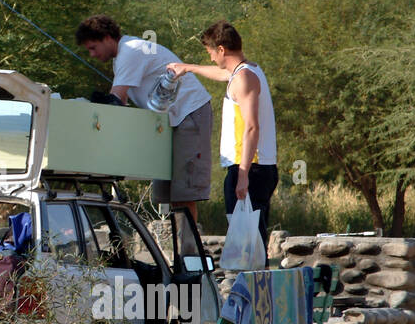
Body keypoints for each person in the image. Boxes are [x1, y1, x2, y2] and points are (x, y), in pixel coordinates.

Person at [75, 15, 214, 232]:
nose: (92, 55)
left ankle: (189, 256)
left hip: (188, 113)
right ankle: (181, 253)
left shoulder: (130, 51)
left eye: (93, 47)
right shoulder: (123, 55)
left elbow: (115, 100)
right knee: (167, 194)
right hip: (169, 121)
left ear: (107, 37)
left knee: (184, 193)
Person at [166, 20, 278, 253]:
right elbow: (221, 73)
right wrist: (187, 68)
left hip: (249, 167)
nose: (210, 59)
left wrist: (243, 175)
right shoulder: (246, 72)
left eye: (210, 53)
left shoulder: (243, 79)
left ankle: (252, 287)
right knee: (250, 241)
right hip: (254, 168)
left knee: (249, 246)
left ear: (221, 50)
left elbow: (251, 128)